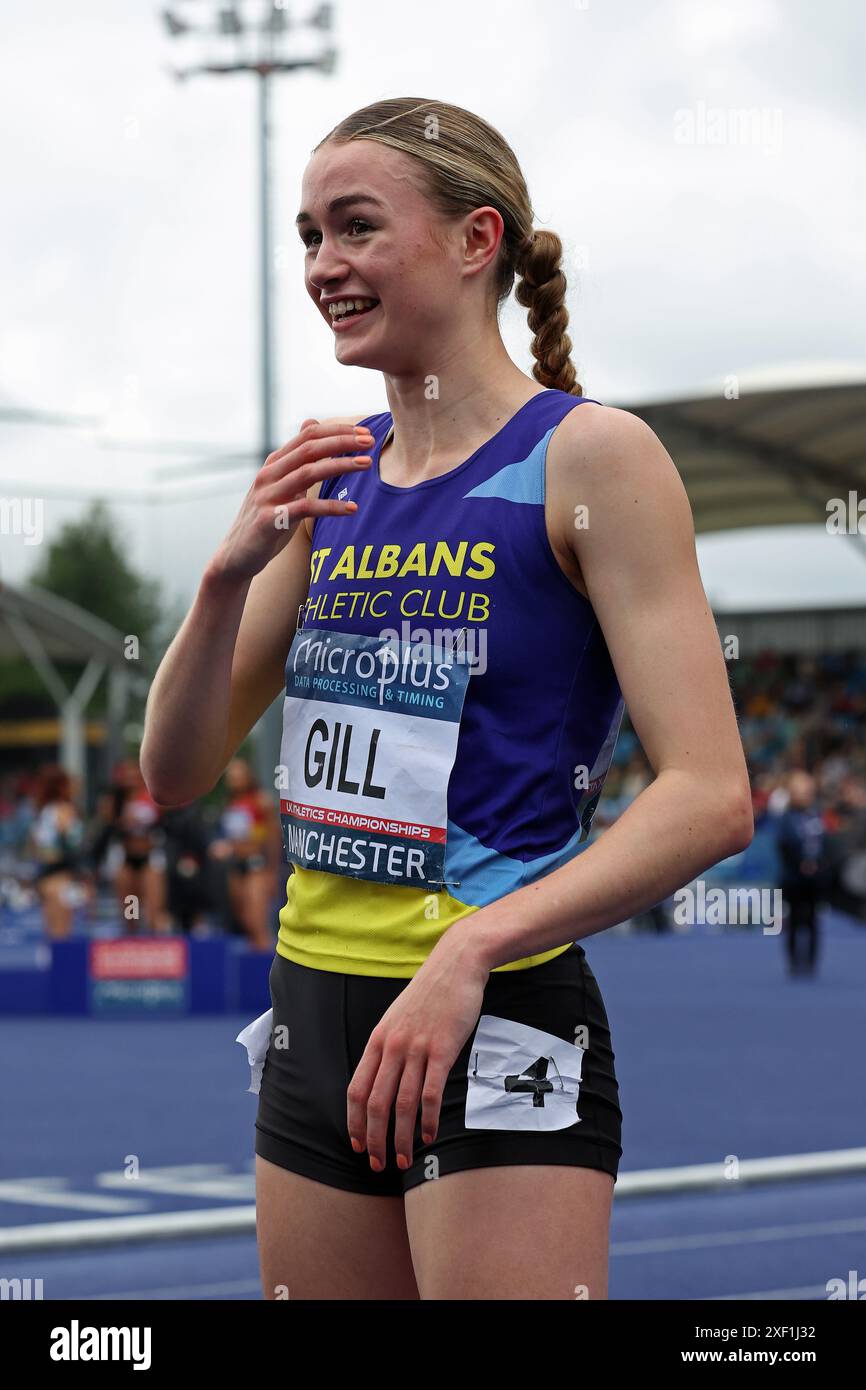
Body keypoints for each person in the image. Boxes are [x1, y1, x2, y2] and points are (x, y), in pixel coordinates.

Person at [141, 97, 753, 1300]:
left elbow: (710, 795)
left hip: (492, 1008)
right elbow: (175, 771)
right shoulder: (332, 476)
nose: (323, 266)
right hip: (311, 1014)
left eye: (356, 228)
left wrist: (471, 948)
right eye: (308, 234)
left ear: (476, 241)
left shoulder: (591, 458)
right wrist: (222, 581)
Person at [208, 757, 279, 949]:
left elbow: (273, 838)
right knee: (244, 921)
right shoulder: (229, 803)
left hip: (256, 865)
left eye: (239, 774)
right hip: (235, 867)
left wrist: (272, 872)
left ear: (248, 776)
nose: (235, 779)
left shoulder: (261, 801)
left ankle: (267, 967)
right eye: (231, 775)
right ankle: (251, 970)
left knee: (256, 921)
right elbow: (232, 837)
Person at [25, 765, 90, 939]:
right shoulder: (63, 810)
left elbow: (36, 849)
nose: (75, 788)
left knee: (53, 934)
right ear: (61, 786)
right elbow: (74, 847)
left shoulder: (42, 813)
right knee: (61, 935)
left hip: (46, 877)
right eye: (71, 784)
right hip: (61, 876)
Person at [776, 769, 829, 976]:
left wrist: (818, 864)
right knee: (795, 919)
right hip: (794, 878)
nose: (805, 794)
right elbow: (783, 846)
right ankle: (793, 962)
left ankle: (811, 963)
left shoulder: (816, 815)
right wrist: (800, 864)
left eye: (808, 790)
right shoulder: (786, 818)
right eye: (800, 790)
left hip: (815, 878)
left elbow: (824, 844)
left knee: (814, 920)